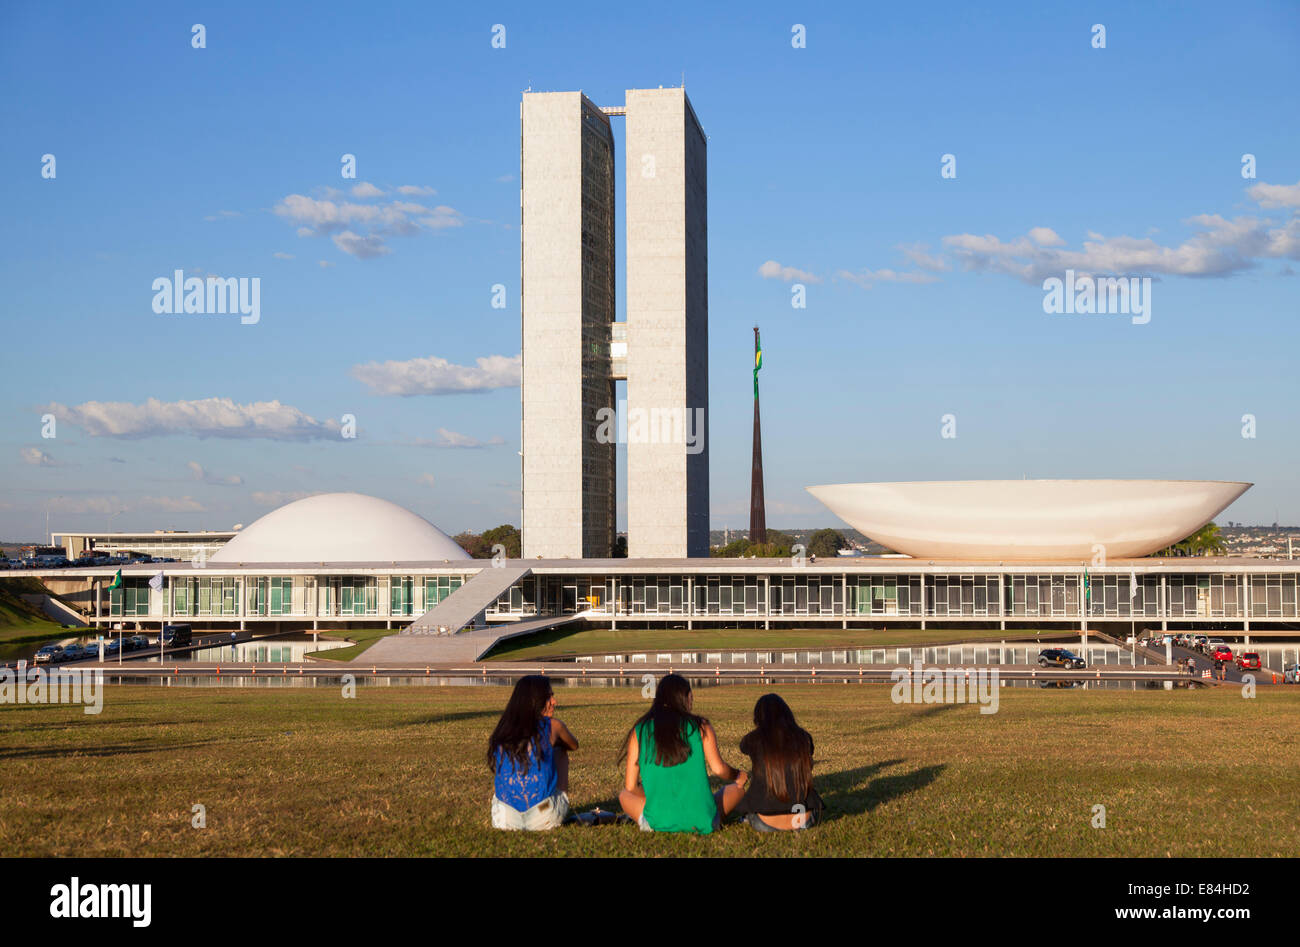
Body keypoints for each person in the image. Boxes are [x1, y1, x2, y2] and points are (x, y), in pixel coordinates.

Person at [617, 673, 746, 834]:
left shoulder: (641, 730)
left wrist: (657, 798)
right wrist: (739, 775)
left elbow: (630, 786)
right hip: (702, 820)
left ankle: (660, 814)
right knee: (738, 789)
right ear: (686, 697)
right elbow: (719, 769)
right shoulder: (701, 726)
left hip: (657, 822)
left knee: (624, 795)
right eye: (691, 697)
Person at [487, 675, 578, 830]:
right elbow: (573, 745)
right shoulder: (553, 726)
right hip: (544, 818)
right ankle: (555, 802)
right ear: (535, 701)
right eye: (548, 697)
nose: (554, 702)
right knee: (560, 751)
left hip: (503, 820)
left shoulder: (503, 729)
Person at [733, 693, 824, 831]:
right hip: (804, 821)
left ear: (758, 717)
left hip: (764, 822)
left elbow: (743, 747)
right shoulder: (803, 737)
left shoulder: (753, 739)